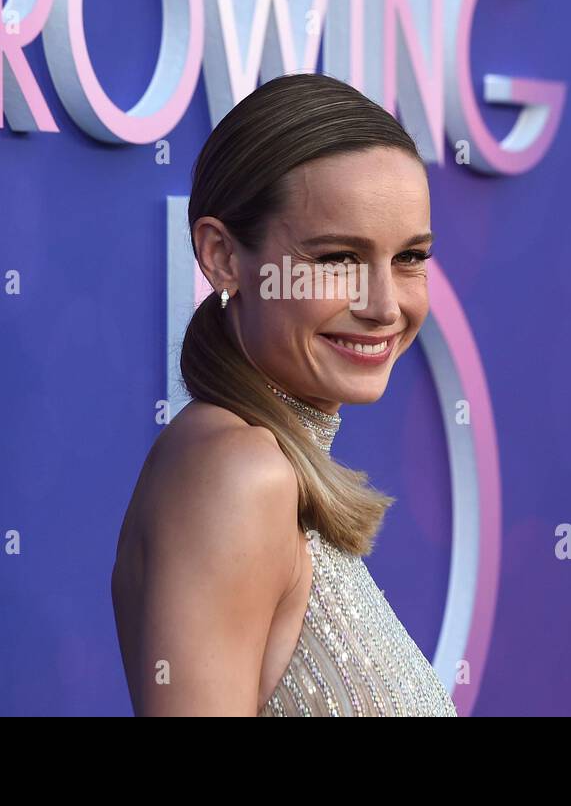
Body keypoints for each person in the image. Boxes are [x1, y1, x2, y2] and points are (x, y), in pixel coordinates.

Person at [111, 72, 456, 717]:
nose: (383, 306)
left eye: (409, 258)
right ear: (221, 256)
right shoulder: (237, 473)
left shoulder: (254, 464)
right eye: (337, 259)